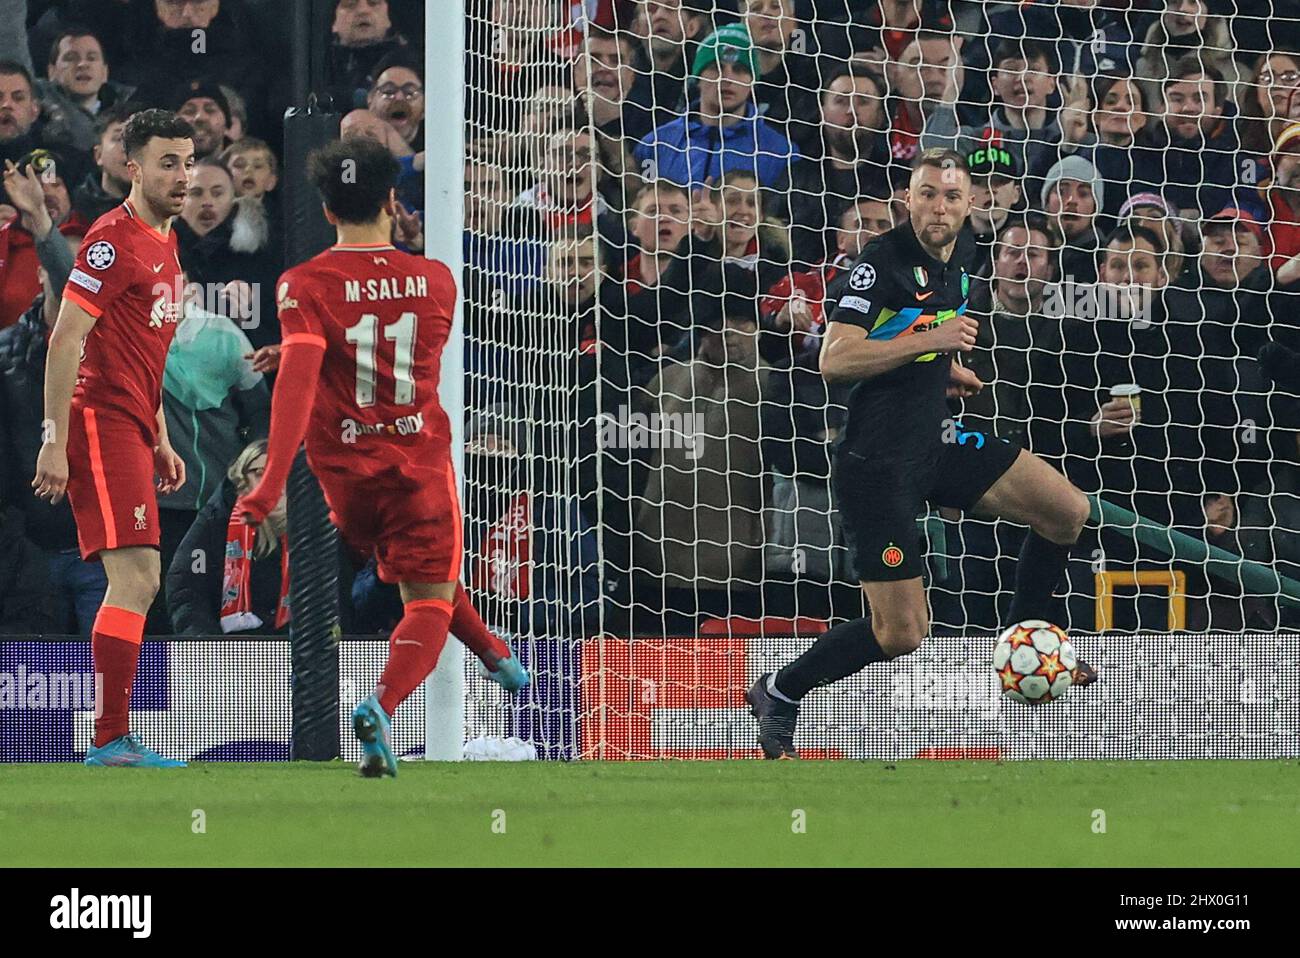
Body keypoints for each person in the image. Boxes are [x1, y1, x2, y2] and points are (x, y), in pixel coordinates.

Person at [745, 148, 1095, 760]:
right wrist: (931, 340)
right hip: (878, 465)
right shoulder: (877, 265)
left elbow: (911, 345)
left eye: (952, 196)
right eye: (927, 194)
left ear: (970, 204)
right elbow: (836, 358)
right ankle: (781, 688)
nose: (939, 207)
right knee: (903, 632)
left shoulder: (963, 257)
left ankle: (1030, 639)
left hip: (935, 442)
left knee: (1065, 510)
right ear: (907, 200)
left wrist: (944, 368)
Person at [234, 138, 529, 778]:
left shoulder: (302, 283)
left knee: (426, 575)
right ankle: (382, 706)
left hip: (346, 478)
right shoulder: (438, 280)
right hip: (416, 460)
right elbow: (391, 349)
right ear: (394, 201)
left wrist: (268, 484)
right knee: (425, 598)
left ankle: (499, 658)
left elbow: (304, 382)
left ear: (326, 209)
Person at [31, 109, 194, 768]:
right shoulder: (111, 241)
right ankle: (109, 740)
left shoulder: (166, 238)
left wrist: (157, 431)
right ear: (132, 166)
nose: (183, 176)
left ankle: (112, 739)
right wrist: (52, 437)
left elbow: (142, 345)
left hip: (131, 423)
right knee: (136, 578)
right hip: (98, 421)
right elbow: (66, 338)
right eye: (167, 163)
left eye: (188, 161)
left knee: (137, 579)